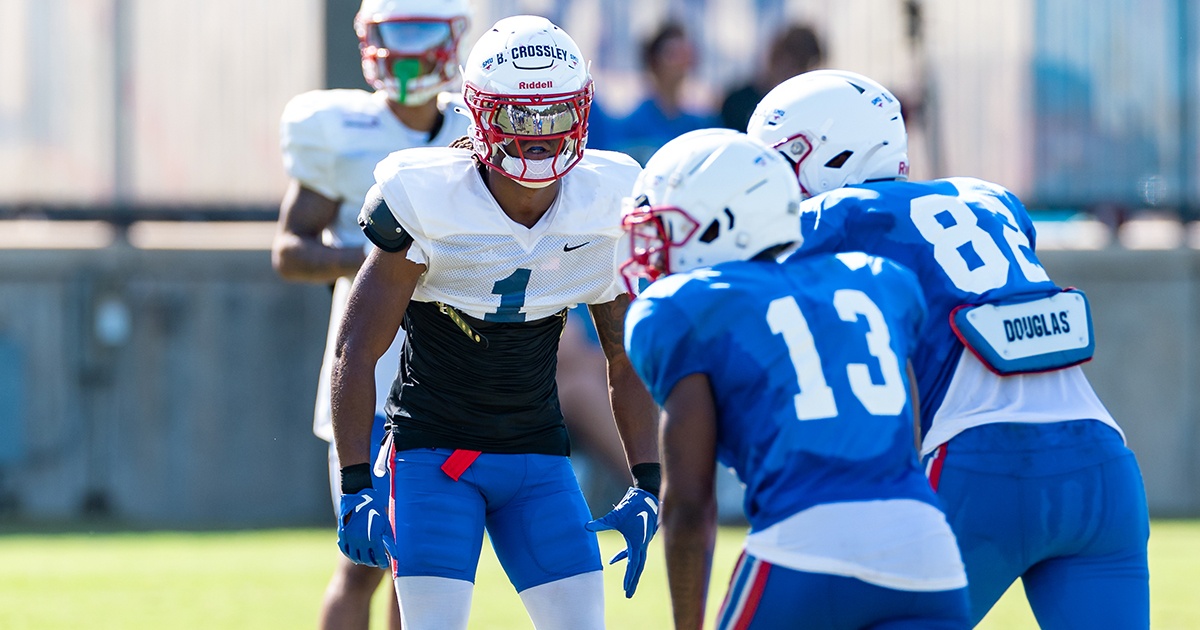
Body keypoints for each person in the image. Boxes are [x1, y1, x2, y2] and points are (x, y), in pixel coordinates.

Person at [749, 70, 1150, 629]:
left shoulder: (839, 215)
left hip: (981, 464)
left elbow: (735, 269)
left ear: (830, 155)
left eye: (776, 163)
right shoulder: (993, 199)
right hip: (1105, 469)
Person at [330, 16, 661, 630]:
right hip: (434, 456)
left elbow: (624, 354)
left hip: (538, 459)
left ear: (582, 113)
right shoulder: (427, 195)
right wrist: (355, 482)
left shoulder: (606, 199)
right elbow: (356, 347)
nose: (538, 137)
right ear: (482, 116)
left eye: (554, 115)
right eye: (519, 117)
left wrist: (647, 479)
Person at [620, 129, 970, 630]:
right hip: (926, 549)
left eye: (666, 228)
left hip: (805, 545)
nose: (653, 249)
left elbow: (690, 500)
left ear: (724, 225)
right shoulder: (874, 278)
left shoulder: (689, 307)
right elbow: (906, 443)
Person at [273, 0, 472, 627]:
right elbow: (289, 250)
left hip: (457, 373)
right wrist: (374, 258)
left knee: (425, 559)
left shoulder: (481, 123)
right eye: (396, 32)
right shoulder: (340, 128)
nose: (409, 49)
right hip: (369, 371)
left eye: (422, 31)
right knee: (365, 554)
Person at [608, 22, 716, 165]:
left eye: (685, 53)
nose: (681, 62)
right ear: (653, 60)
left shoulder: (700, 126)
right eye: (673, 54)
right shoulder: (630, 126)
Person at [719, 24, 823, 132]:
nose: (788, 67)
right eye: (783, 56)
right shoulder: (737, 102)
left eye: (801, 63)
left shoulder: (810, 110)